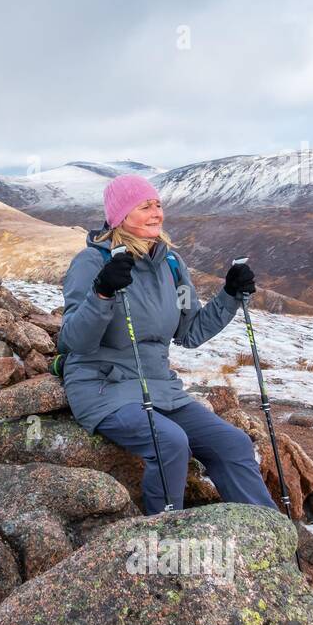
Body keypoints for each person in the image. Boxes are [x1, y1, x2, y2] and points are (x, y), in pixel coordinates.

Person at [58, 173, 276, 516]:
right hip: (103, 387)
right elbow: (73, 340)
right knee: (170, 442)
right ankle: (163, 535)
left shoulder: (172, 265)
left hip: (161, 388)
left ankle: (268, 534)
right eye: (145, 206)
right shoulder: (92, 262)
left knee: (232, 444)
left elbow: (190, 331)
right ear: (120, 216)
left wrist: (230, 295)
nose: (157, 212)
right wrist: (102, 293)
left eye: (158, 205)